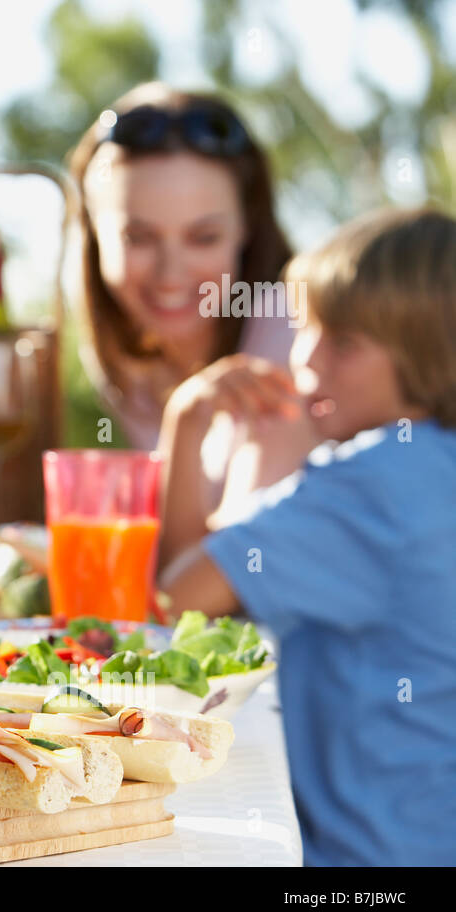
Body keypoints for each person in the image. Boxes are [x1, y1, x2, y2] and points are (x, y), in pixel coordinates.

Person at [160, 207, 456, 866]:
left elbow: (174, 600)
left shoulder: (371, 484)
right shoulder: (429, 464)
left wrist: (188, 420)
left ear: (429, 354)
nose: (303, 359)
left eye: (342, 342)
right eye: (305, 329)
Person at [67, 83, 318, 564]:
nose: (170, 275)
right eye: (137, 237)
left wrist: (184, 418)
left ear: (247, 226)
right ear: (93, 234)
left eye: (203, 237)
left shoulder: (291, 331)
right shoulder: (124, 357)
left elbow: (207, 578)